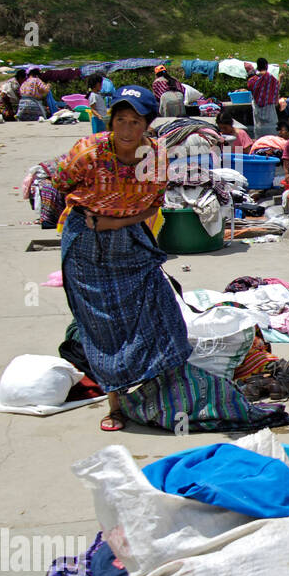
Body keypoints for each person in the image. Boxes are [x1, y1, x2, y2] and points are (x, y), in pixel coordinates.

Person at [49, 86, 190, 432]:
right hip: (87, 244)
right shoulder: (88, 151)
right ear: (110, 121)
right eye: (121, 120)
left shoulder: (154, 156)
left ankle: (160, 393)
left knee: (161, 310)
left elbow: (155, 204)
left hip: (129, 235)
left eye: (135, 121)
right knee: (103, 327)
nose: (127, 130)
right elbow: (60, 182)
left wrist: (117, 221)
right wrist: (88, 218)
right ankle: (115, 405)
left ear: (146, 125)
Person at [246, 58, 279, 137]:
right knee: (272, 131)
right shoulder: (271, 78)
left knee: (259, 130)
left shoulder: (253, 80)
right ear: (266, 66)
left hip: (257, 108)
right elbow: (277, 87)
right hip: (269, 108)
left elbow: (249, 86)